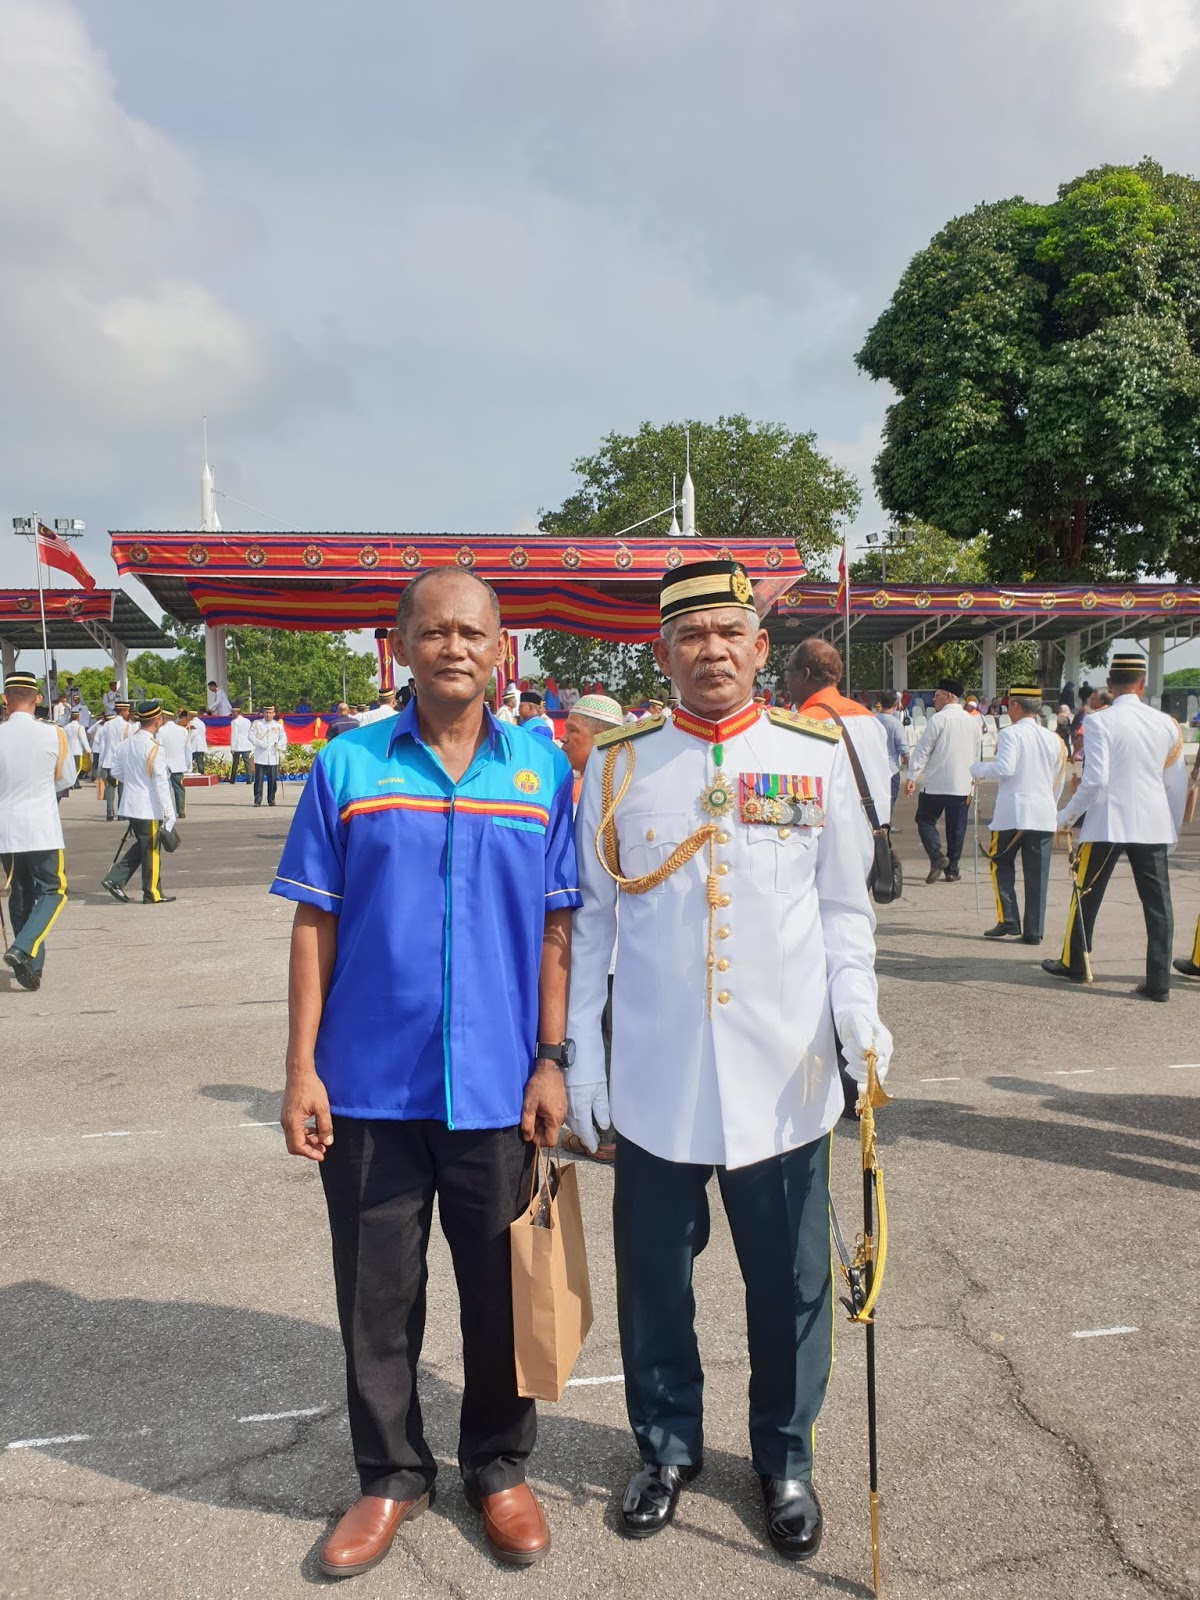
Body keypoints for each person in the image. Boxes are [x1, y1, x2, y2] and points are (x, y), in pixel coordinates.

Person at [565, 558, 890, 1562]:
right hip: (659, 1076)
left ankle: (783, 1457)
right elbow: (590, 927)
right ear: (663, 653)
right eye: (690, 634)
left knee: (790, 1282)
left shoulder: (815, 750)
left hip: (786, 1074)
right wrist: (583, 1064)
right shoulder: (619, 765)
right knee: (656, 1278)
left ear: (760, 649)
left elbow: (844, 906)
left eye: (728, 633)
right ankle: (665, 1447)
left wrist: (859, 1014)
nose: (711, 650)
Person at [272, 567, 580, 1580]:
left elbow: (555, 929)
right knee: (375, 1295)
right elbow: (314, 925)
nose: (453, 647)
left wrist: (550, 1058)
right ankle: (390, 1473)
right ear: (399, 645)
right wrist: (300, 1069)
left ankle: (497, 1463)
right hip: (367, 1087)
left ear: (502, 649)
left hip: (498, 1086)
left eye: (472, 632)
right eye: (432, 630)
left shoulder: (541, 773)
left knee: (501, 1292)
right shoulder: (348, 766)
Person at [1043, 652, 1186, 1000]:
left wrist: (1065, 817)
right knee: (1158, 907)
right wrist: (1173, 830)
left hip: (1107, 823)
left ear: (1110, 685)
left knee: (1086, 896)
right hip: (1152, 825)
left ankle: (1076, 962)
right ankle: (1158, 983)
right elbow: (1175, 784)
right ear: (1142, 684)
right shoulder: (1167, 724)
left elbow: (1095, 782)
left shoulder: (1097, 722)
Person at [970, 686, 1067, 945]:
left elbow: (1005, 769)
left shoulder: (1010, 733)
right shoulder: (1053, 738)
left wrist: (978, 768)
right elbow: (1059, 780)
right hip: (1043, 813)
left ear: (1015, 706)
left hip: (1013, 814)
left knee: (1000, 865)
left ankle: (1009, 919)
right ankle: (1034, 931)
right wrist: (1050, 805)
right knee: (1037, 875)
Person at [0, 670, 76, 991]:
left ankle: (31, 963)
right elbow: (66, 779)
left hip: (7, 829)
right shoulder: (53, 735)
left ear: (5, 700)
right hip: (42, 826)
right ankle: (22, 948)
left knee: (20, 895)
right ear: (38, 700)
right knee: (53, 891)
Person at [785, 640, 893, 824]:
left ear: (804, 675)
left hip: (829, 841)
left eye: (789, 673)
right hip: (875, 835)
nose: (786, 681)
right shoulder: (871, 719)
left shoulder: (802, 724)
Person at [101, 701, 179, 906]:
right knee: (152, 849)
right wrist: (170, 813)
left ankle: (115, 879)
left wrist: (135, 782)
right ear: (157, 720)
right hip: (148, 806)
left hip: (130, 804)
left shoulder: (126, 743)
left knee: (143, 845)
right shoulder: (154, 748)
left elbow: (116, 772)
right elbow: (160, 782)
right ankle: (152, 892)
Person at [905, 678, 982, 883]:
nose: (934, 699)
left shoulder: (939, 719)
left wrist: (912, 774)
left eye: (937, 695)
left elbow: (923, 748)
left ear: (949, 696)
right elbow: (977, 753)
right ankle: (952, 869)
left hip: (935, 784)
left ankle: (937, 856)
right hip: (962, 784)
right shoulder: (972, 721)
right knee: (956, 828)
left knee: (925, 820)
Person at [560, 693, 624, 809]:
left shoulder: (584, 788)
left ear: (601, 738)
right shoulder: (622, 783)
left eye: (572, 730)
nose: (563, 738)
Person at [96, 700, 133, 821]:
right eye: (127, 711)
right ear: (123, 712)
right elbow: (130, 746)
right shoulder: (128, 726)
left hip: (109, 760)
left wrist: (100, 763)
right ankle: (122, 813)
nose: (128, 713)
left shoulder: (107, 725)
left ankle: (109, 811)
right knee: (122, 787)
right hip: (122, 762)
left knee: (110, 786)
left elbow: (103, 745)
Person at [873, 689, 907, 811]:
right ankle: (887, 824)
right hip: (891, 769)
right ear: (896, 704)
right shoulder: (896, 724)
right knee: (890, 799)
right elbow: (903, 748)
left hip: (874, 767)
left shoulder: (872, 719)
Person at [156, 707, 191, 820]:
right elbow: (188, 749)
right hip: (179, 764)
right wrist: (188, 764)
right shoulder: (183, 730)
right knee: (179, 788)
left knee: (164, 789)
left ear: (164, 718)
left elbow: (158, 748)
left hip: (165, 765)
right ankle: (181, 811)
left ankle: (166, 812)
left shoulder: (161, 731)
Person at [251, 703, 287, 806]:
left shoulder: (278, 725)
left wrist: (279, 745)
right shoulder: (257, 724)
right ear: (263, 713)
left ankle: (271, 799)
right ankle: (257, 800)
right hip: (260, 756)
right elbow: (251, 736)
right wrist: (260, 743)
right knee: (259, 779)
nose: (268, 715)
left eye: (270, 713)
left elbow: (283, 738)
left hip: (272, 756)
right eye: (266, 712)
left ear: (274, 713)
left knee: (272, 780)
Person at [65, 710, 91, 788]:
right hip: (77, 750)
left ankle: (76, 784)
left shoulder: (66, 727)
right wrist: (88, 750)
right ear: (78, 718)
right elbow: (84, 739)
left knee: (71, 767)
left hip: (69, 750)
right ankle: (71, 782)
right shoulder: (80, 727)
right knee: (78, 767)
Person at [228, 704, 254, 783]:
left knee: (235, 763)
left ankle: (232, 779)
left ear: (236, 713)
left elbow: (234, 735)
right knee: (247, 763)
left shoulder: (235, 722)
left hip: (238, 745)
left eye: (232, 713)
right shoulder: (247, 721)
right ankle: (249, 779)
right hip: (247, 744)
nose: (232, 715)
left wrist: (232, 747)